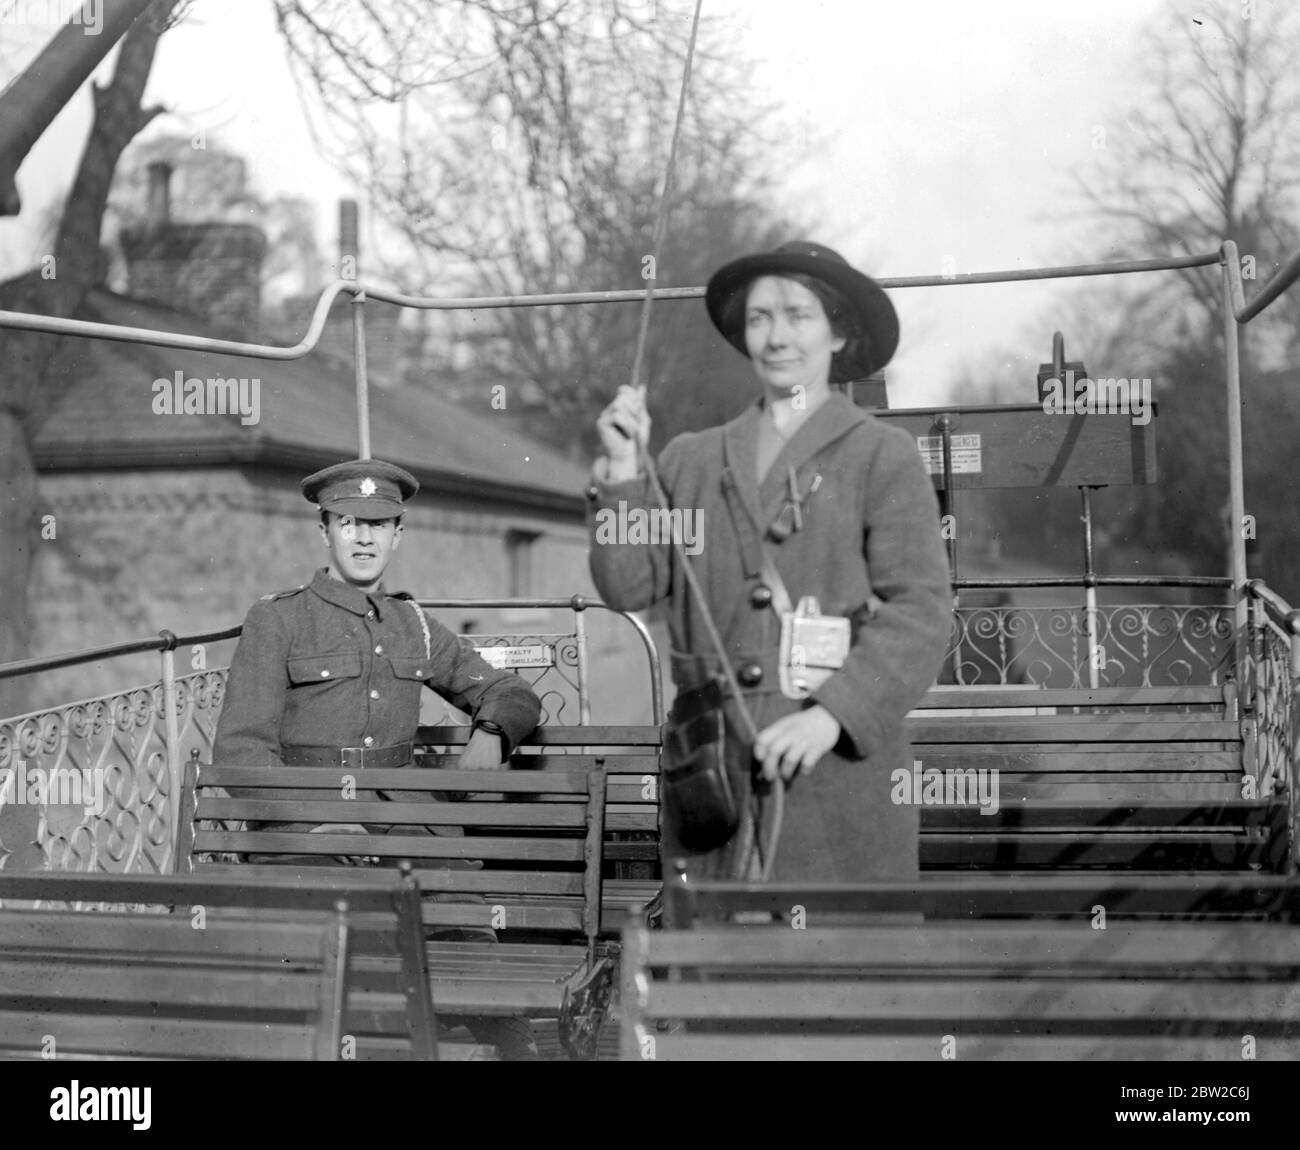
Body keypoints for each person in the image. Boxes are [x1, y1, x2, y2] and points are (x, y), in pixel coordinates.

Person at [587, 241, 952, 882]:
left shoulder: (882, 456)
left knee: (832, 974)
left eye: (797, 315)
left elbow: (921, 611)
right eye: (759, 318)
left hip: (835, 774)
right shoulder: (689, 459)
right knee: (716, 971)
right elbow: (626, 586)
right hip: (713, 777)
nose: (776, 336)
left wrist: (833, 716)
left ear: (839, 332)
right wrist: (622, 471)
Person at [213, 457, 543, 1059]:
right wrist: (313, 821)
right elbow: (242, 746)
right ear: (325, 530)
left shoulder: (413, 625)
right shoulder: (278, 619)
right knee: (349, 961)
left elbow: (510, 690)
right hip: (307, 837)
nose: (364, 537)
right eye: (348, 522)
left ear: (398, 533)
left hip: (408, 833)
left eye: (379, 524)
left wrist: (491, 731)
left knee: (473, 951)